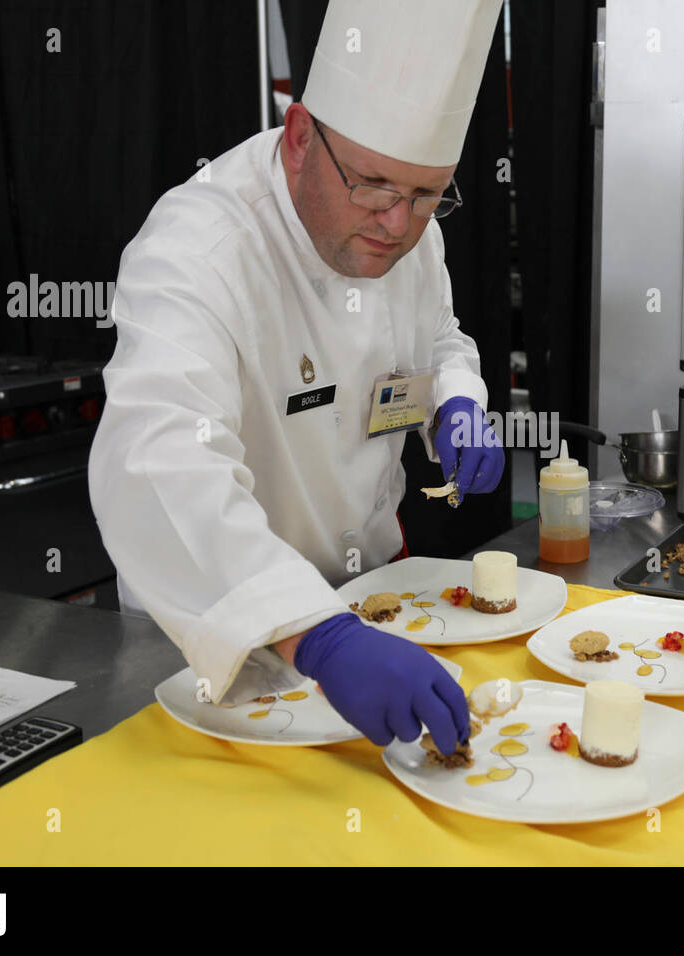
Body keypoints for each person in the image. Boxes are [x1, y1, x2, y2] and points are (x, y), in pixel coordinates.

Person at [88, 0, 506, 756]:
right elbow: (157, 462)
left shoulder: (413, 229)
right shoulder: (199, 248)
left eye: (426, 195)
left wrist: (457, 401)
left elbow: (439, 335)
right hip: (225, 636)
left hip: (373, 605)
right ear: (300, 138)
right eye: (375, 186)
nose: (397, 226)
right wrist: (319, 639)